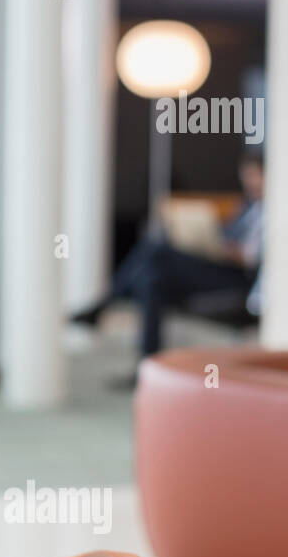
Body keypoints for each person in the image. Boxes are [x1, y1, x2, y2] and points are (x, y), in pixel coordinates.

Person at [69, 148, 265, 383]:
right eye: (248, 175)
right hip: (216, 268)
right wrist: (207, 240)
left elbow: (253, 255)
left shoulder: (276, 211)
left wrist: (228, 250)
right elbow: (225, 235)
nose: (250, 181)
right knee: (151, 280)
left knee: (156, 250)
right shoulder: (246, 207)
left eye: (256, 175)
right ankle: (147, 368)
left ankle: (103, 305)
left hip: (240, 279)